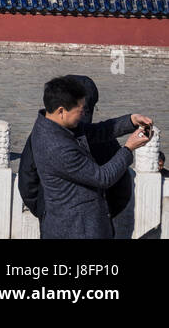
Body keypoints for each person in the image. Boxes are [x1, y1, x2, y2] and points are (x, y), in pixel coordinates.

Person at [24, 75, 151, 239]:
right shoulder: (58, 147)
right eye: (81, 110)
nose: (84, 114)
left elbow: (97, 131)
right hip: (75, 228)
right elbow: (103, 177)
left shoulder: (52, 124)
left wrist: (131, 121)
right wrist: (129, 148)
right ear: (61, 110)